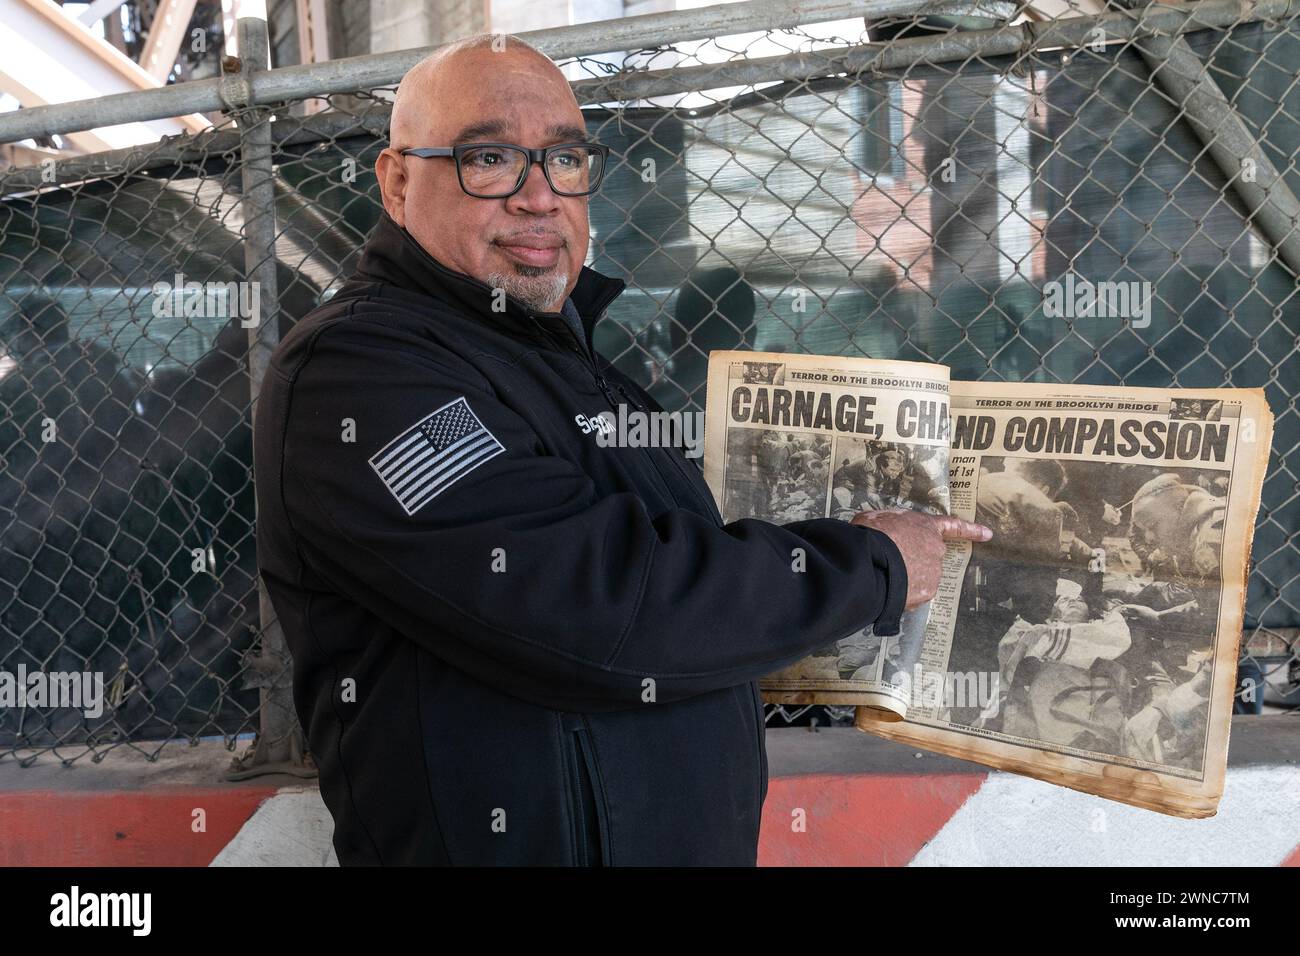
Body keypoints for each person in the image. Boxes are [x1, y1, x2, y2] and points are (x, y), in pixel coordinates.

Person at [251, 33, 990, 866]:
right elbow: (593, 601)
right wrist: (870, 567)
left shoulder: (569, 366)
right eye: (489, 159)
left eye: (565, 160)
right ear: (396, 181)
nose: (540, 198)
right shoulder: (363, 371)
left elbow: (674, 596)